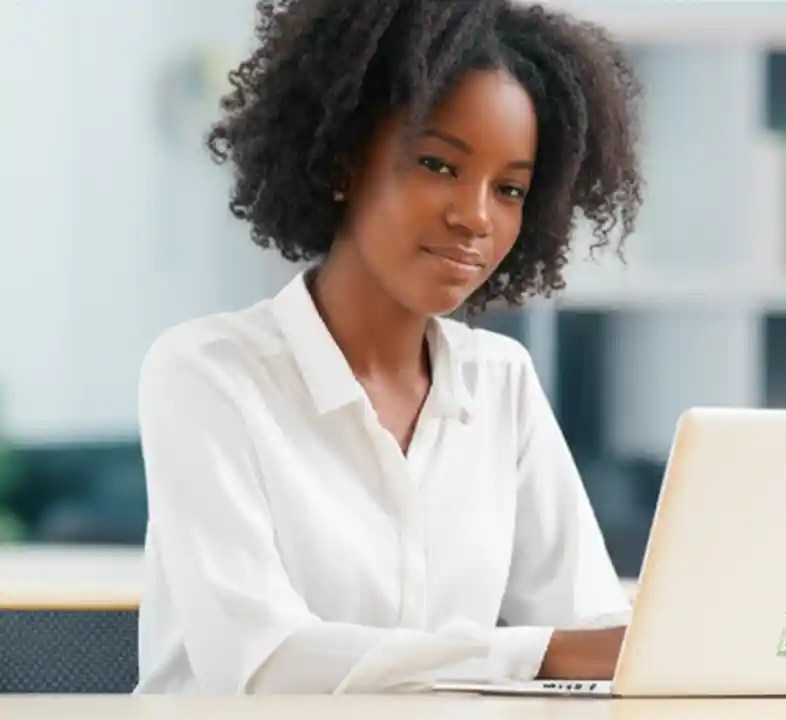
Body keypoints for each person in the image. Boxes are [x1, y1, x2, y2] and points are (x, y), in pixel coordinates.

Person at [135, 0, 643, 694]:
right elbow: (260, 664)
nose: (474, 217)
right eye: (438, 165)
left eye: (511, 188)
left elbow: (594, 634)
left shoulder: (502, 383)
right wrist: (535, 654)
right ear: (344, 159)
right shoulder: (208, 373)